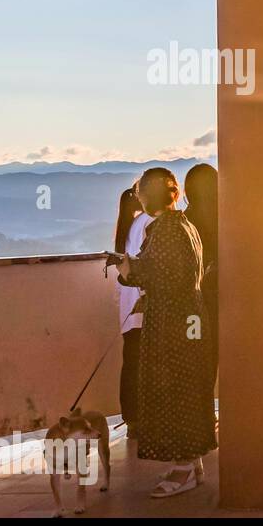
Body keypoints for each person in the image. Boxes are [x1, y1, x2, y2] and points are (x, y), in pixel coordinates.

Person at [117, 167, 217, 497]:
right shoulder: (183, 226)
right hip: (187, 318)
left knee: (173, 389)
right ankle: (190, 460)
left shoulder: (165, 230)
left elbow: (160, 273)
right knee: (187, 386)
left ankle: (182, 467)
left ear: (148, 195)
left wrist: (128, 269)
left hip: (172, 323)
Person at [114, 184, 153, 431]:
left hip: (129, 308)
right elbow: (149, 265)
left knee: (131, 365)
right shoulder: (150, 222)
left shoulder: (128, 225)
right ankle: (146, 420)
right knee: (147, 367)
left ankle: (133, 421)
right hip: (144, 307)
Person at [184, 163, 219, 379]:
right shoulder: (227, 221)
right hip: (220, 301)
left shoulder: (184, 223)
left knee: (194, 357)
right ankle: (208, 410)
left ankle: (197, 410)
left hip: (192, 305)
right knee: (212, 356)